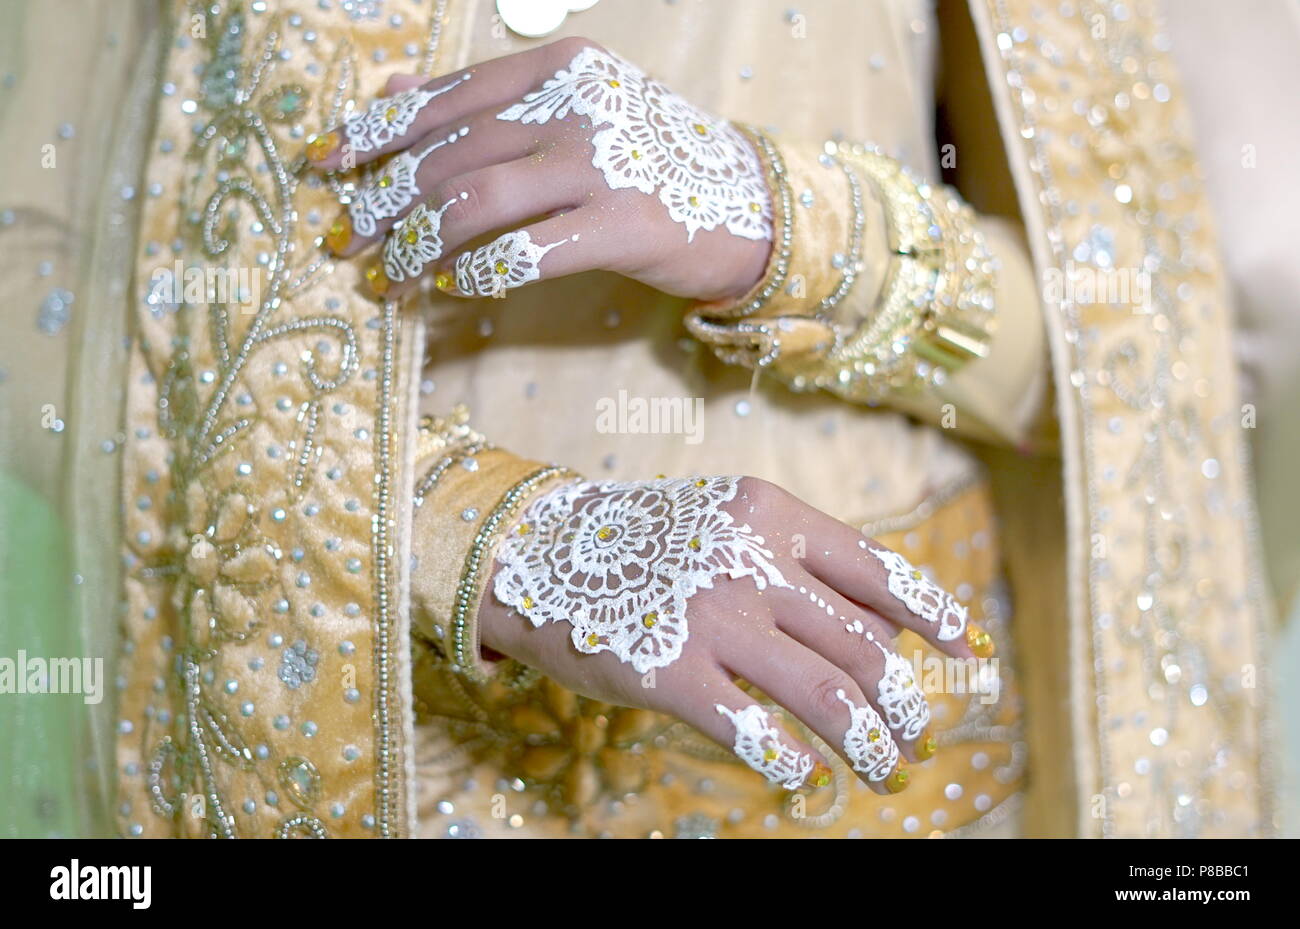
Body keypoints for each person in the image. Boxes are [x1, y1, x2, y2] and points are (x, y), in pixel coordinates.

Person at [0, 0, 1274, 839]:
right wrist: (484, 536)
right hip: (378, 752)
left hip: (880, 767)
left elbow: (1136, 361)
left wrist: (790, 228)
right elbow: (27, 260)